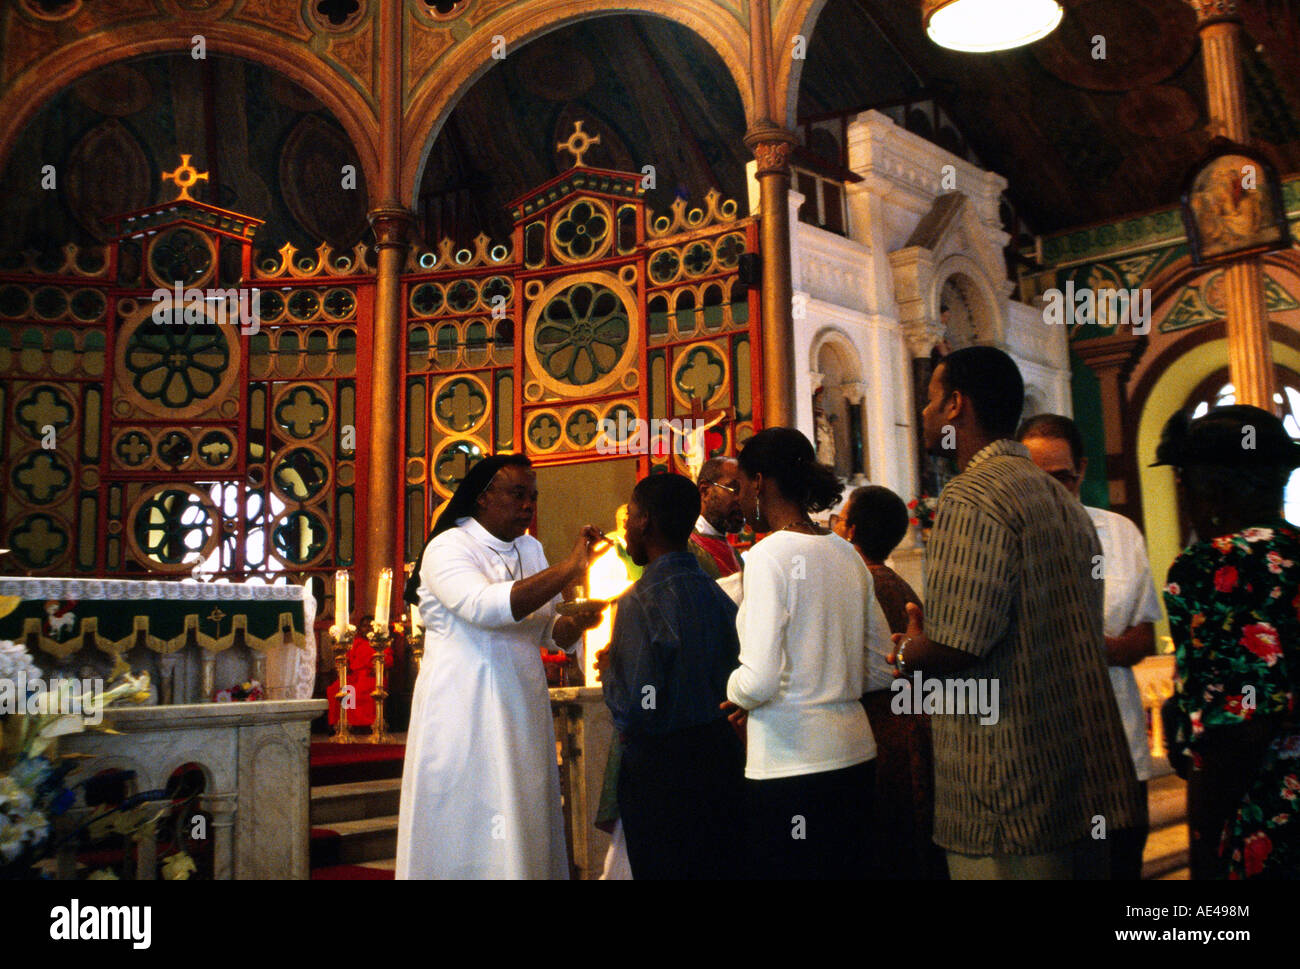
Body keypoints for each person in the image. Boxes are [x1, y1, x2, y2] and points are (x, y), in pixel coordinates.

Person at [891, 346, 1143, 879]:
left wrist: (908, 646)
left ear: (957, 405)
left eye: (933, 401)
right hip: (1075, 777)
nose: (925, 415)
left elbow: (959, 644)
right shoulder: (1061, 502)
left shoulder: (974, 495)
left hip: (1005, 784)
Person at [395, 454, 605, 879]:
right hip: (462, 708)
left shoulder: (529, 548)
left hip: (521, 705)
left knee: (523, 808)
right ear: (483, 497)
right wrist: (569, 568)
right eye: (517, 493)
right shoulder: (448, 547)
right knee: (470, 816)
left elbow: (549, 632)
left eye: (533, 496)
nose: (528, 504)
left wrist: (576, 622)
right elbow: (484, 607)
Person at [724, 427, 893, 878]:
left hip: (790, 765)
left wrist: (734, 691)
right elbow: (881, 669)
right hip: (854, 756)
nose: (738, 499)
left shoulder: (767, 557)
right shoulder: (846, 552)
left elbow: (757, 680)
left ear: (759, 482)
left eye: (739, 486)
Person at [1155, 404, 1300, 880]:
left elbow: (1238, 728)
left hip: (1266, 818)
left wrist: (1204, 839)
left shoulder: (1211, 567)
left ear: (1210, 489)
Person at [1018, 413, 1164, 880]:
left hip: (1119, 743)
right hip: (1041, 750)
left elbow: (1145, 632)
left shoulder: (1120, 534)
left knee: (1121, 866)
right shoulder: (1009, 541)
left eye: (1061, 477)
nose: (1052, 491)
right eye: (1037, 480)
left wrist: (1099, 648)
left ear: (1080, 469)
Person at [601, 473, 745, 878]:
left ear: (645, 521)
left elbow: (637, 706)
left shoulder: (640, 601)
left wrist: (612, 671)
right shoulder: (719, 595)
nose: (625, 526)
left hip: (663, 775)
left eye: (629, 516)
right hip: (722, 764)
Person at [835, 485, 946, 880]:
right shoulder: (897, 583)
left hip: (881, 727)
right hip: (912, 722)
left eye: (840, 518)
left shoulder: (858, 585)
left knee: (890, 845)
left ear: (849, 530)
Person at [690, 456, 745, 579]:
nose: (741, 499)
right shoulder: (683, 549)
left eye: (744, 492)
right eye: (734, 489)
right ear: (705, 491)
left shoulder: (736, 556)